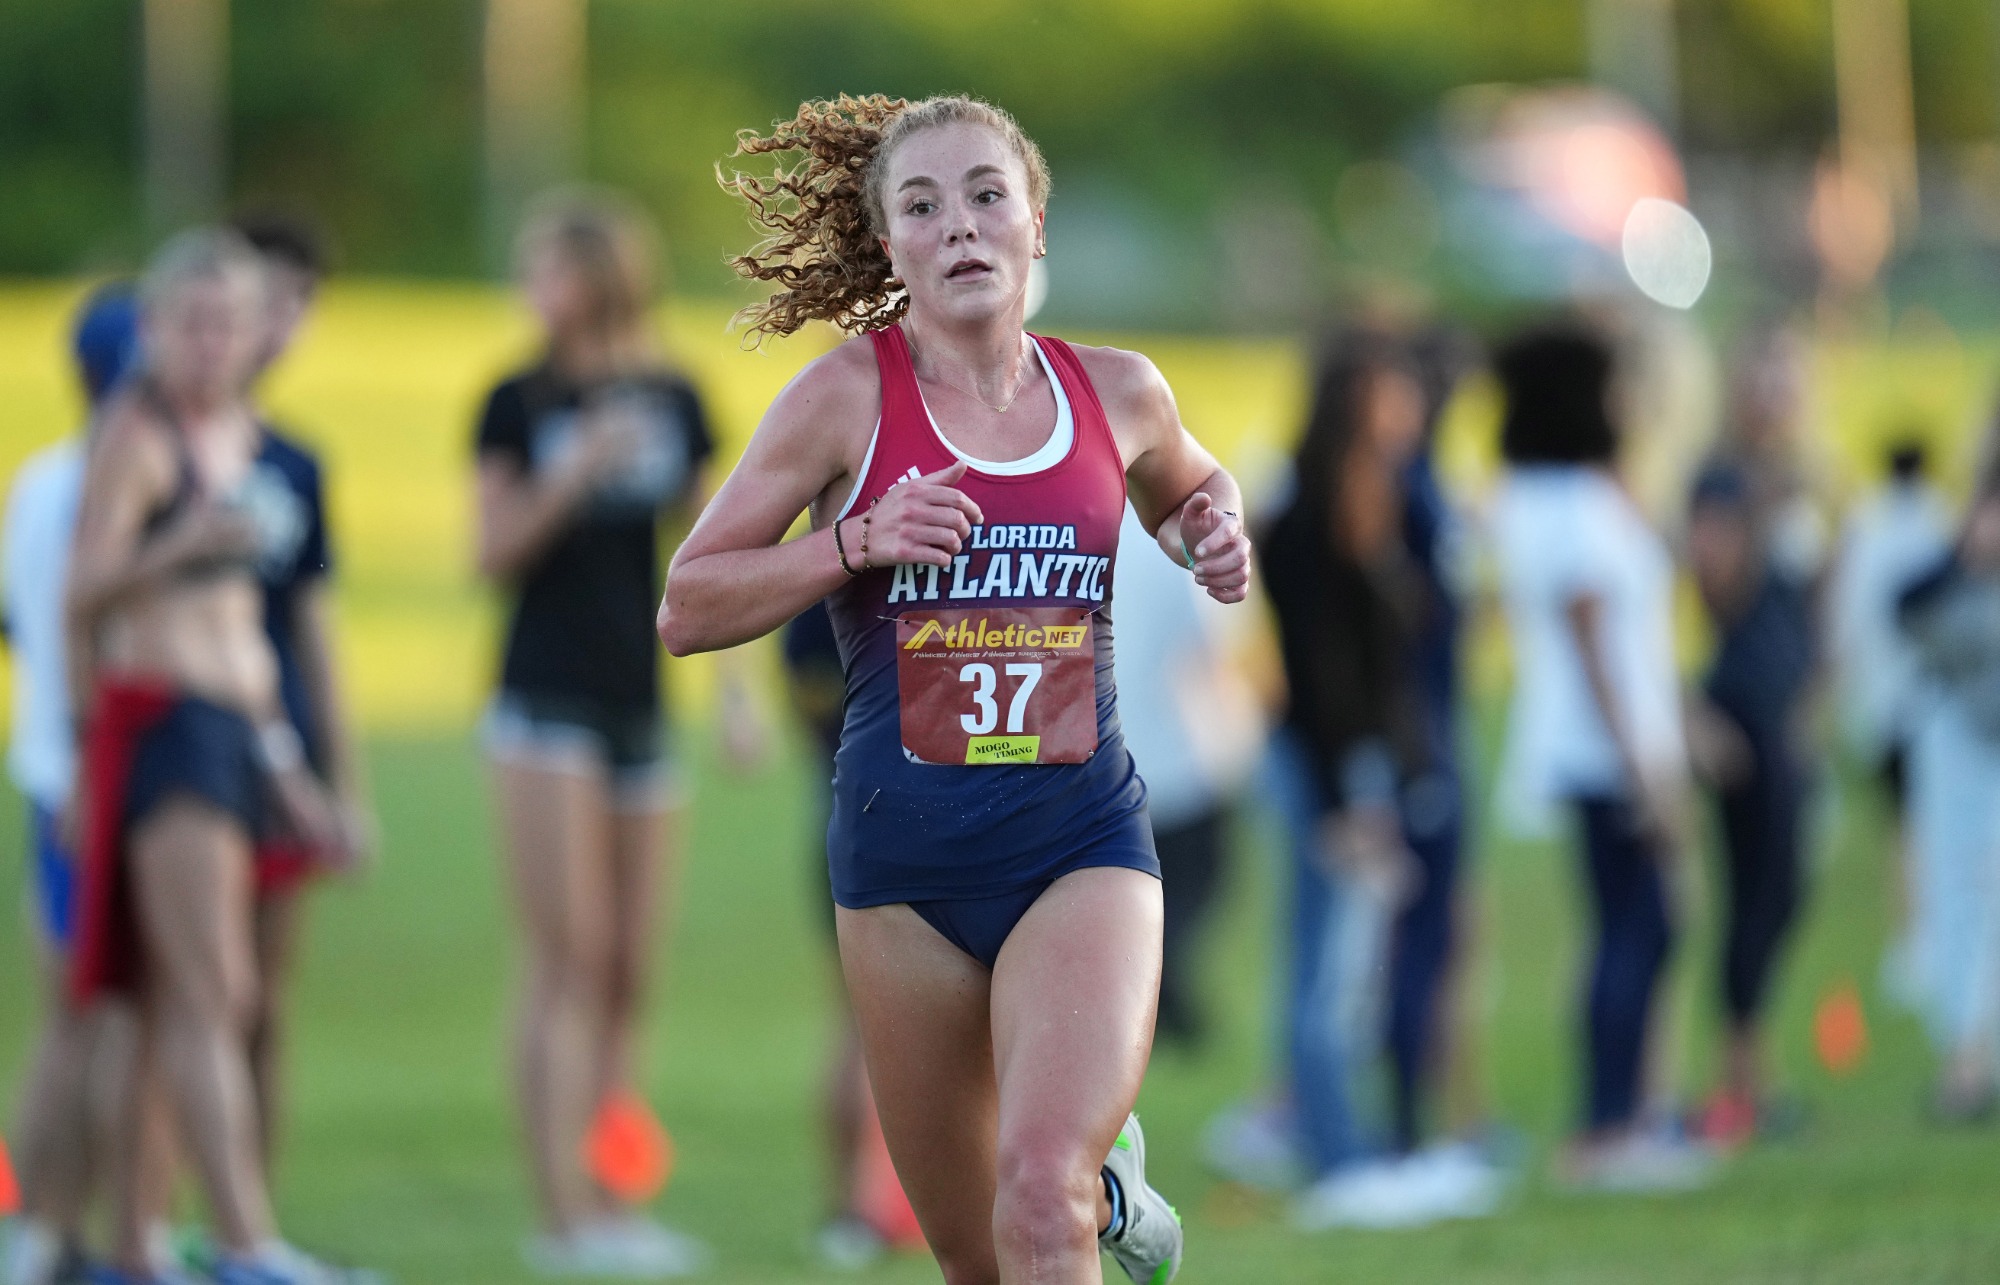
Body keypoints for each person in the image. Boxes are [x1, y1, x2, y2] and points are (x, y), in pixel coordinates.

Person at [661, 94, 1252, 1283]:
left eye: (987, 195)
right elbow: (687, 604)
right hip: (902, 879)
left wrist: (1212, 530)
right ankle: (1106, 1182)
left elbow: (1189, 492)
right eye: (921, 207)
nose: (959, 226)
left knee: (1038, 1202)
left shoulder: (1120, 391)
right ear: (891, 247)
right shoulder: (842, 400)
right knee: (981, 1256)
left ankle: (1086, 1177)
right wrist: (853, 540)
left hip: (1076, 845)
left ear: (1036, 223)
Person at [64, 228, 368, 1285]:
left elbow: (245, 632)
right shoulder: (137, 434)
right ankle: (242, 1243)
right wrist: (176, 546)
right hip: (163, 724)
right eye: (189, 324)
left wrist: (290, 766)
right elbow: (81, 592)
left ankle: (136, 1247)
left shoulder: (240, 435)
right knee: (208, 992)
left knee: (167, 1000)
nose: (209, 344)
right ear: (152, 330)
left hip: (233, 728)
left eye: (227, 325)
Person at [472, 191, 715, 1277]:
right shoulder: (515, 402)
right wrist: (571, 469)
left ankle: (617, 1204)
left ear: (602, 276)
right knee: (563, 958)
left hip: (641, 701)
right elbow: (490, 552)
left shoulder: (674, 395)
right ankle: (559, 1213)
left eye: (549, 269)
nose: (534, 291)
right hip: (544, 699)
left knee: (626, 968)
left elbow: (710, 547)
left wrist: (743, 691)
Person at [1255, 328, 1495, 1230]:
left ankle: (1350, 1146)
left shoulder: (1375, 504)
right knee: (1325, 968)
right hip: (1332, 766)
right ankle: (1337, 1158)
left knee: (1343, 965)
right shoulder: (1317, 520)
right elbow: (1317, 678)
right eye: (1392, 396)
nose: (1411, 413)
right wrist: (1340, 802)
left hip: (1359, 762)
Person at [1489, 323, 1709, 1191]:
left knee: (1634, 928)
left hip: (1607, 751)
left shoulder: (1557, 495)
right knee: (1639, 929)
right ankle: (1611, 1128)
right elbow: (1591, 644)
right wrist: (1646, 768)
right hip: (1605, 756)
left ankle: (1619, 1120)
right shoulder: (1574, 504)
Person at [228, 211, 375, 1178]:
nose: (279, 321)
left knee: (264, 1006)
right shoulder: (149, 437)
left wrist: (346, 782)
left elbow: (316, 632)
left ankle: (248, 1221)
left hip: (284, 760)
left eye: (298, 301)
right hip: (189, 741)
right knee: (189, 995)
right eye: (264, 297)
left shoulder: (294, 461)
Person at [2, 284, 141, 1285]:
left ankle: (59, 1233)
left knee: (91, 1018)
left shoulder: (40, 477)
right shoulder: (98, 481)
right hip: (84, 781)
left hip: (56, 765)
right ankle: (38, 1234)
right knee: (80, 1018)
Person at [779, 603, 923, 1270]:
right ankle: (864, 1206)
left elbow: (803, 687)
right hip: (885, 806)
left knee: (863, 1016)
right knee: (875, 1018)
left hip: (841, 797)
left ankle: (862, 1204)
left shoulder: (820, 583)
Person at [1683, 462, 1815, 1146]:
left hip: (1779, 764)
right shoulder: (1693, 593)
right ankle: (1738, 1080)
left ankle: (1752, 1075)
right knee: (1749, 912)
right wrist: (1696, 721)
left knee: (1780, 902)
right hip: (1741, 770)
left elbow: (1800, 664)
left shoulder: (1772, 585)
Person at [1108, 504, 1259, 1050]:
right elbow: (1210, 651)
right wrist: (1240, 741)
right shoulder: (1175, 537)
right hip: (1177, 754)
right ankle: (1159, 988)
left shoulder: (1063, 524)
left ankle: (1148, 989)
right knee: (1196, 886)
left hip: (1094, 757)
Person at [1897, 443, 2000, 1123]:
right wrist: (1970, 553)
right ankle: (1965, 1058)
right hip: (1964, 741)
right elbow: (1905, 603)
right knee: (1963, 894)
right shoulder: (1955, 565)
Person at [1828, 440, 1952, 998]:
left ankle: (1914, 942)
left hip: (1893, 698)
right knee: (1927, 826)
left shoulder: (1871, 526)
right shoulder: (1940, 520)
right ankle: (1925, 942)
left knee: (1905, 828)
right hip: (1932, 698)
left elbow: (1849, 615)